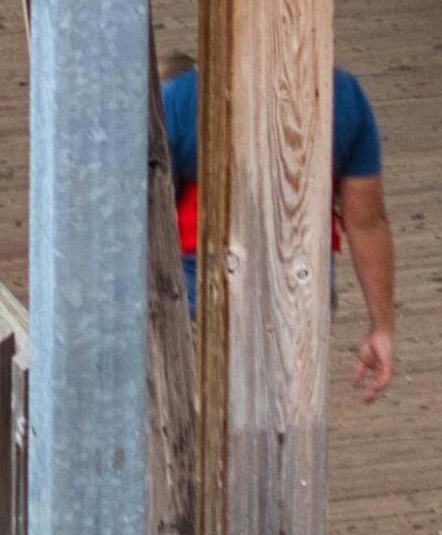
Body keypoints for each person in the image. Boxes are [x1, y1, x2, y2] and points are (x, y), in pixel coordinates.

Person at [155, 58, 398, 400]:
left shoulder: (183, 98)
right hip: (301, 287)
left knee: (198, 413)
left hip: (202, 285)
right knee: (285, 421)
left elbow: (149, 220)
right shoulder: (342, 98)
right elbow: (366, 223)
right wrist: (382, 327)